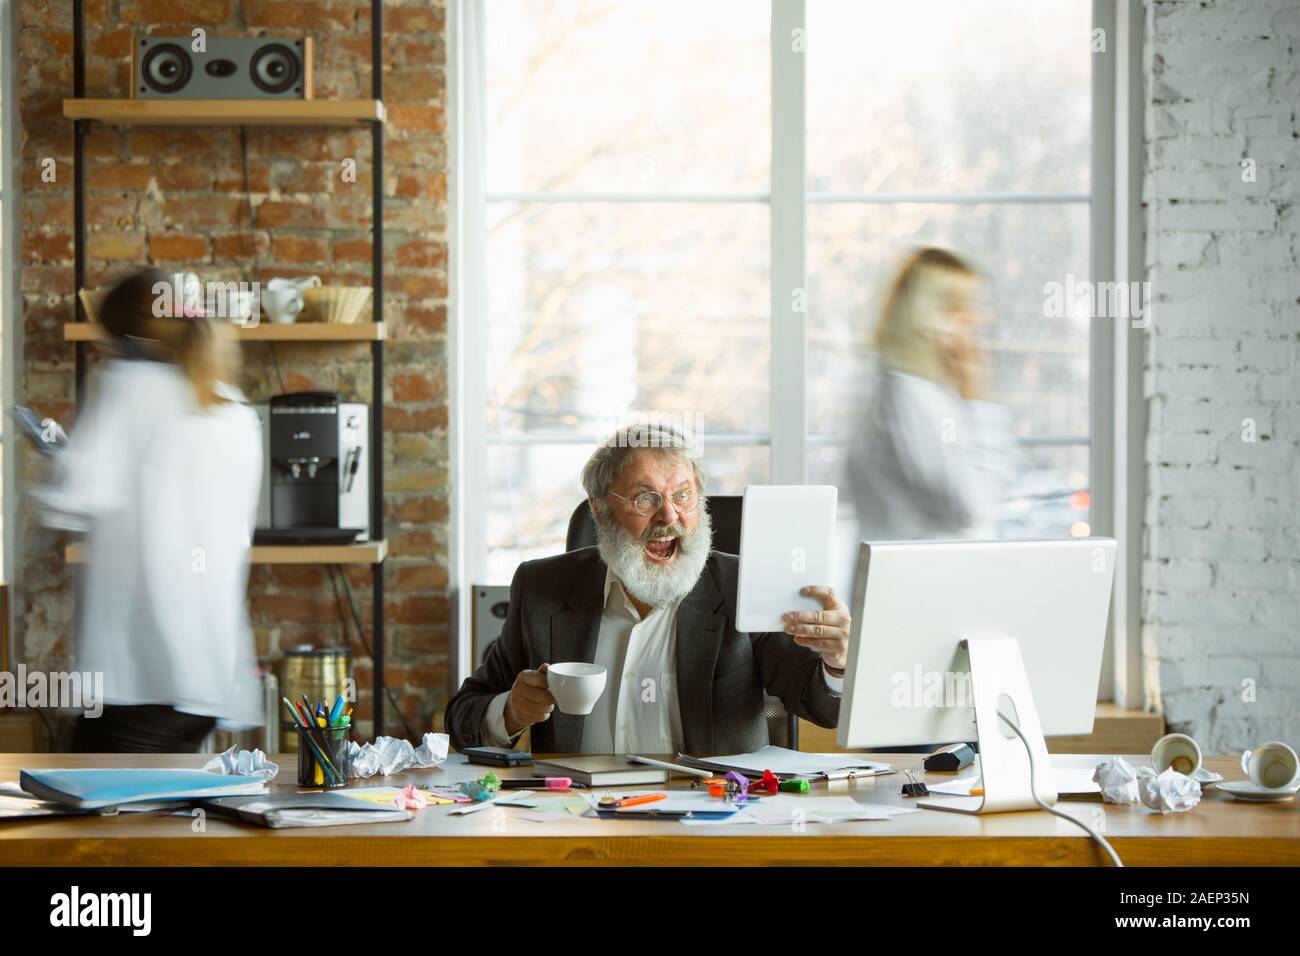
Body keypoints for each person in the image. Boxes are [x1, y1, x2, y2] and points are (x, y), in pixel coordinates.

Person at [445, 425, 850, 755]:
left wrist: (836, 663)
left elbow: (822, 705)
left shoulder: (743, 585)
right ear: (601, 508)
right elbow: (462, 719)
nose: (669, 515)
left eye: (683, 495)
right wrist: (511, 712)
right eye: (645, 497)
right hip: (578, 823)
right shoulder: (543, 588)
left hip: (714, 821)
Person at [37, 268, 264, 752]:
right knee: (154, 817)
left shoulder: (127, 385)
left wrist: (55, 454)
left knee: (89, 820)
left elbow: (71, 502)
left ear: (122, 335)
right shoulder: (234, 406)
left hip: (138, 673)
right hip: (206, 676)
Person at [846, 247, 1017, 541]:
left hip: (923, 578)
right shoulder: (909, 399)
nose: (981, 318)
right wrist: (978, 399)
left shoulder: (924, 396)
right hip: (916, 581)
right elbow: (972, 510)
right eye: (965, 307)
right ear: (929, 320)